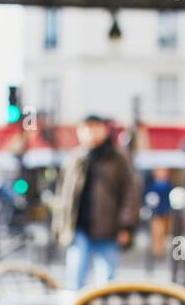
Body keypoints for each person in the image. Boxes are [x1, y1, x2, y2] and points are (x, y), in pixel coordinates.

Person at [52, 114, 140, 289]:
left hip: (108, 229)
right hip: (78, 228)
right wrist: (59, 226)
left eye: (94, 128)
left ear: (104, 130)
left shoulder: (118, 158)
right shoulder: (74, 158)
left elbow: (130, 193)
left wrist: (126, 226)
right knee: (75, 278)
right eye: (85, 128)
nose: (90, 133)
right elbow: (63, 194)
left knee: (106, 281)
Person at [145, 167, 174, 257]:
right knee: (157, 232)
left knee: (165, 232)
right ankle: (157, 251)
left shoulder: (168, 184)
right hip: (156, 213)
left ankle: (160, 249)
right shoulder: (152, 185)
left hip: (166, 211)